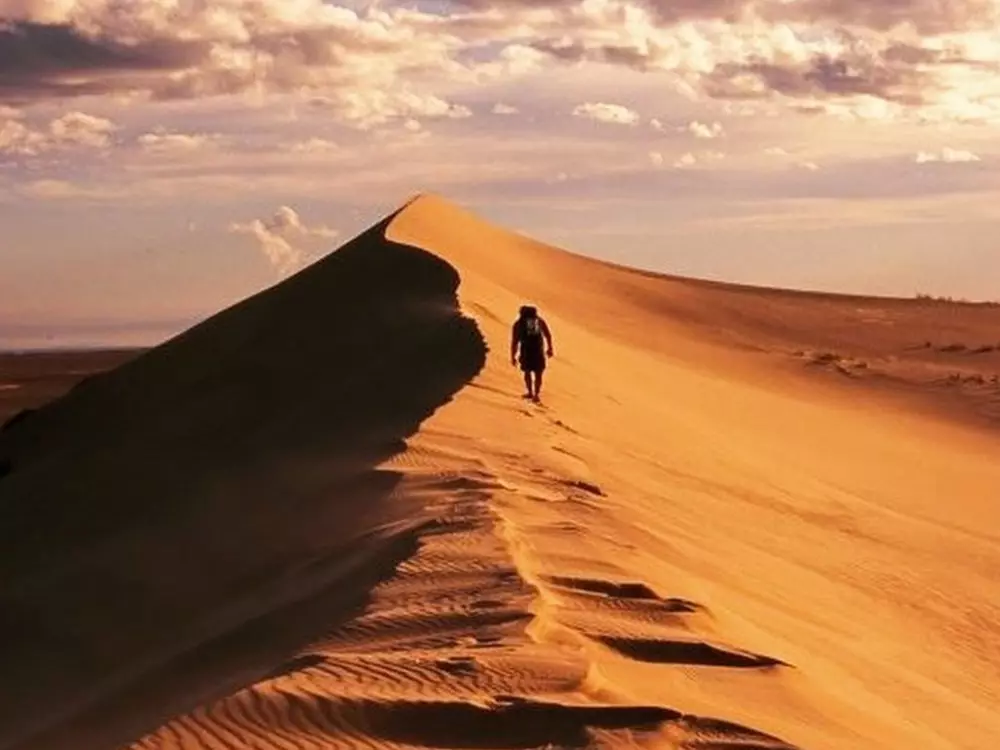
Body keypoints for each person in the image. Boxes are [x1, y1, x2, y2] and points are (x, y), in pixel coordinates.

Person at [510, 304, 554, 402]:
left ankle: (531, 392)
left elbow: (515, 341)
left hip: (526, 351)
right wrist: (550, 348)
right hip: (538, 351)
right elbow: (548, 335)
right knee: (538, 374)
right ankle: (536, 394)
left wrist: (513, 356)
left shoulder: (518, 324)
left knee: (527, 372)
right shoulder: (539, 321)